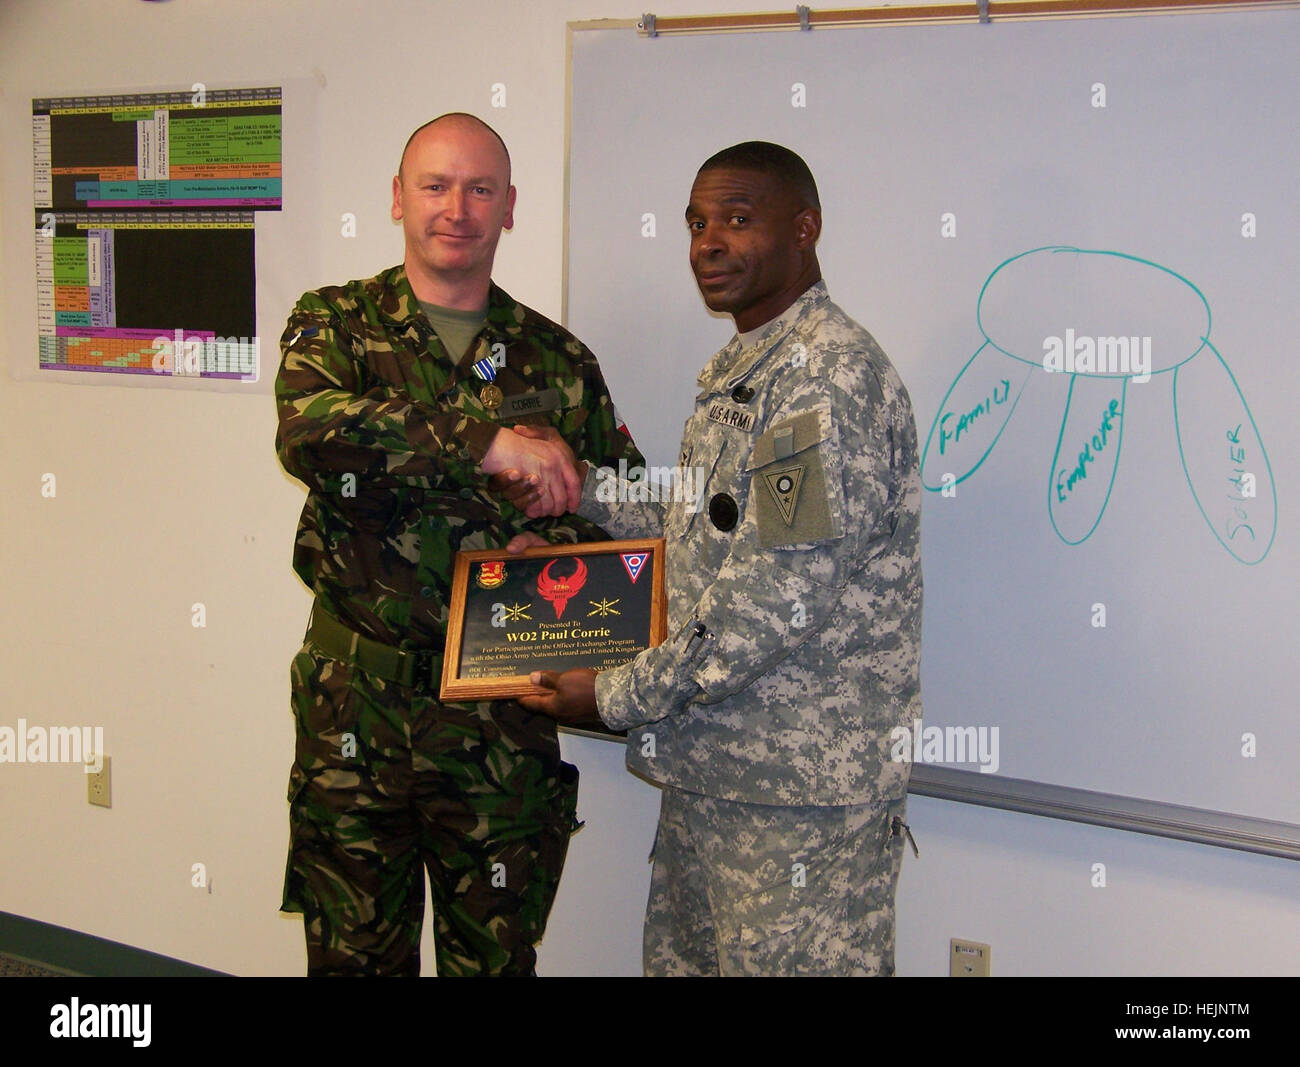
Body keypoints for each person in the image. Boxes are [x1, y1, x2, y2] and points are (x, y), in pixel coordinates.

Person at [501, 142, 923, 976]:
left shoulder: (821, 384)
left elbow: (772, 598)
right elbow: (701, 516)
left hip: (800, 802)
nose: (708, 243)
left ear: (804, 230)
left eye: (738, 219)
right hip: (718, 775)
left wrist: (617, 693)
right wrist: (581, 490)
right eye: (697, 223)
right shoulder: (746, 369)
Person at [274, 113, 643, 976]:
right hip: (355, 709)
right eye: (435, 185)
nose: (457, 208)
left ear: (509, 208)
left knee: (495, 965)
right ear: (398, 198)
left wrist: (551, 546)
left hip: (502, 723)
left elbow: (621, 511)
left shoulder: (558, 360)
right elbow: (311, 432)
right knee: (353, 963)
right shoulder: (336, 325)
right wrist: (487, 442)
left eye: (481, 189)